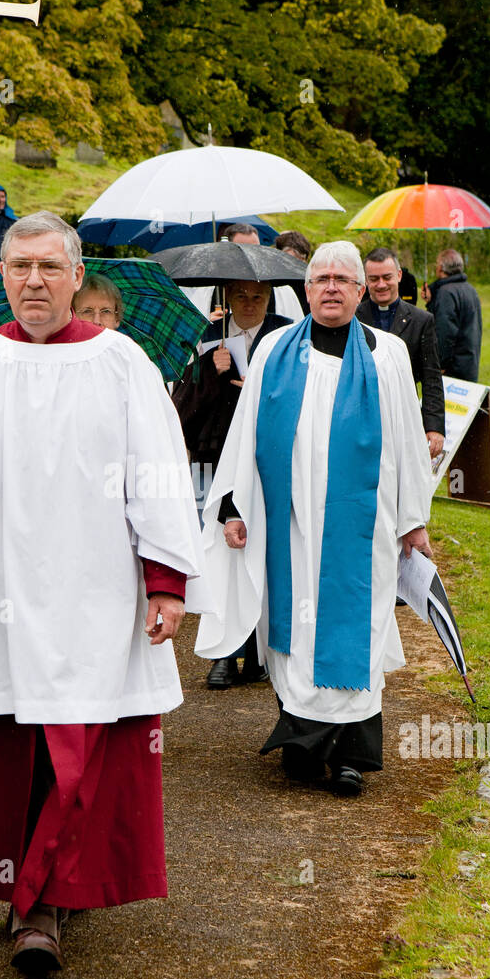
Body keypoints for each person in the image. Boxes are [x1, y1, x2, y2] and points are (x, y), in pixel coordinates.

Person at [0, 211, 208, 977]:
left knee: (79, 742)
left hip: (90, 589)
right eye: (19, 266)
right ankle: (29, 893)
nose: (33, 281)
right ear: (2, 274)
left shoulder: (122, 364)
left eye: (48, 268)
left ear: (73, 275)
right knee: (11, 741)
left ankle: (41, 904)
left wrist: (165, 581)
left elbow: (157, 472)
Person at [196, 240, 433, 796]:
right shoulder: (277, 349)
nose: (330, 286)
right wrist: (232, 506)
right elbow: (245, 434)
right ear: (305, 290)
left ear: (358, 291)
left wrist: (412, 520)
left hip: (361, 526)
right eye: (320, 277)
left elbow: (404, 441)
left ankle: (351, 756)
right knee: (292, 632)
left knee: (360, 628)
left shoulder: (387, 354)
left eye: (341, 279)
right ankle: (302, 747)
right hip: (289, 525)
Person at [173, 279, 291, 689]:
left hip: (267, 461)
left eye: (258, 296)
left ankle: (258, 650)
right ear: (227, 298)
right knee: (221, 552)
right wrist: (210, 371)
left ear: (269, 298)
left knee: (264, 551)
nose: (249, 303)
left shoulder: (285, 337)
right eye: (240, 295)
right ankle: (224, 652)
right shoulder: (207, 338)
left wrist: (258, 392)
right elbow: (182, 413)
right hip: (215, 460)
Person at [358, 246, 445, 458]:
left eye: (387, 277)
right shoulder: (354, 318)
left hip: (405, 415)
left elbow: (431, 377)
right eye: (374, 279)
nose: (381, 285)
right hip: (362, 418)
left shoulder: (422, 320)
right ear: (365, 281)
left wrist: (434, 427)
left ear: (398, 275)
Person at [423, 250, 483, 381]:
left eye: (437, 264)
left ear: (441, 268)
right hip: (469, 361)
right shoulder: (469, 289)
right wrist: (431, 302)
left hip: (453, 367)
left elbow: (445, 331)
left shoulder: (446, 293)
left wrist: (441, 363)